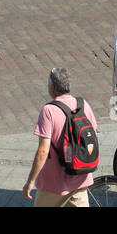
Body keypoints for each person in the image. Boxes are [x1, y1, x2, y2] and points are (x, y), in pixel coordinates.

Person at [22, 67, 99, 207]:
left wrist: (30, 181)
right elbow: (92, 133)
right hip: (80, 176)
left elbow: (43, 151)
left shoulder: (49, 111)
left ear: (52, 88)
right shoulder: (83, 104)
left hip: (55, 183)